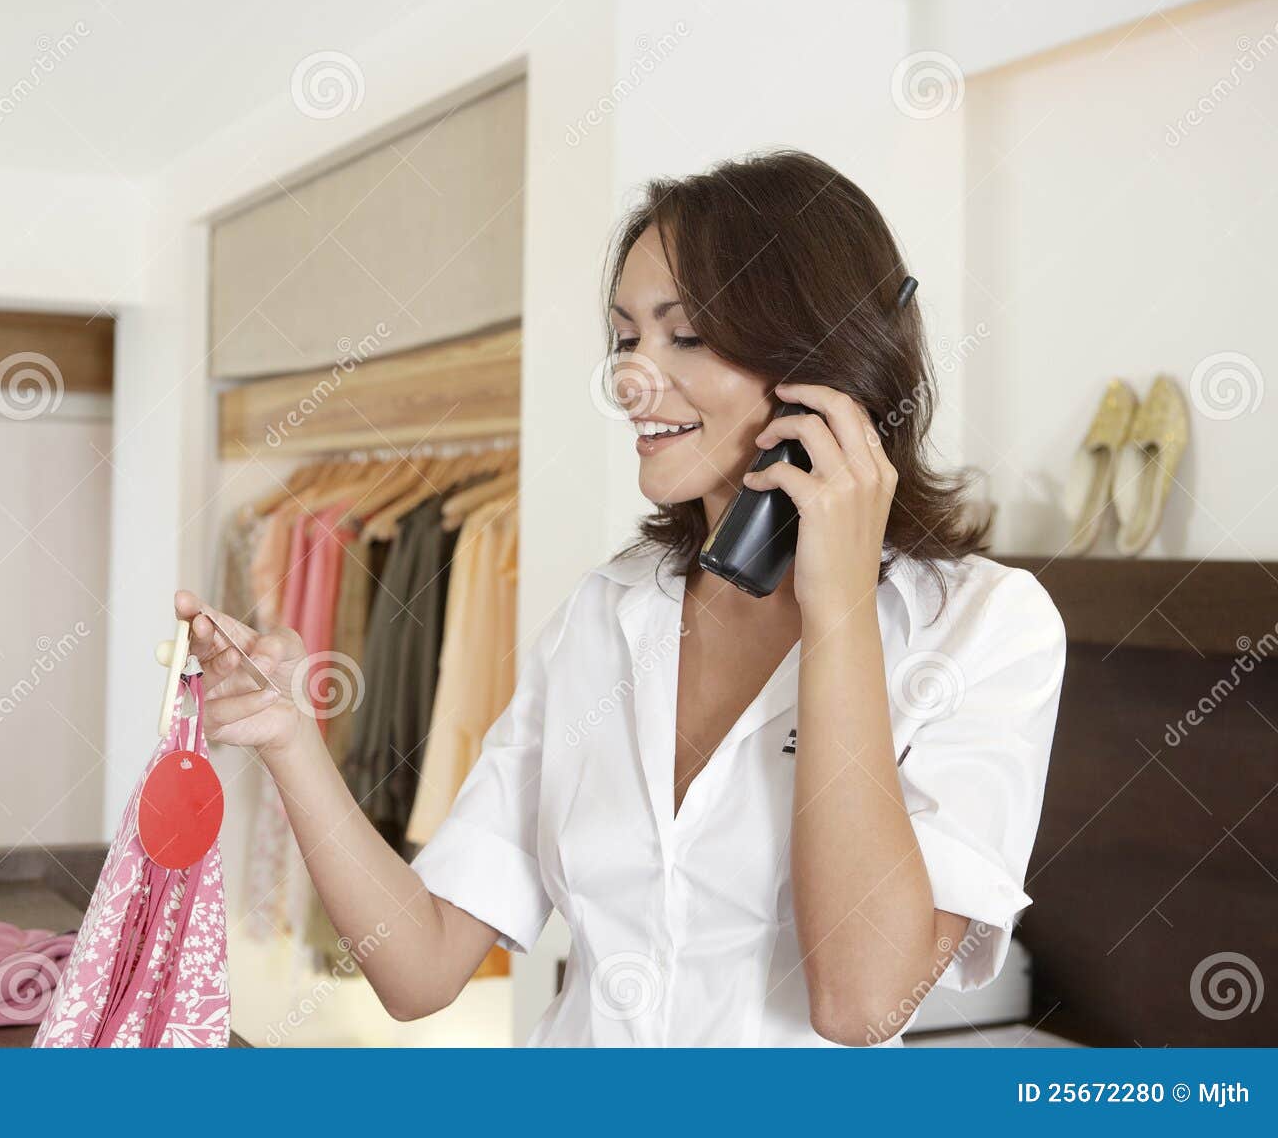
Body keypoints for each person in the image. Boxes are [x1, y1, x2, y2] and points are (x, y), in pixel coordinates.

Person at [179, 150, 1065, 1047]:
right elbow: (422, 963)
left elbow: (862, 1000)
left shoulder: (985, 628)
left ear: (823, 366)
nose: (632, 378)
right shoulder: (606, 615)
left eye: (684, 336)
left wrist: (836, 610)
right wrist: (291, 737)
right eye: (625, 337)